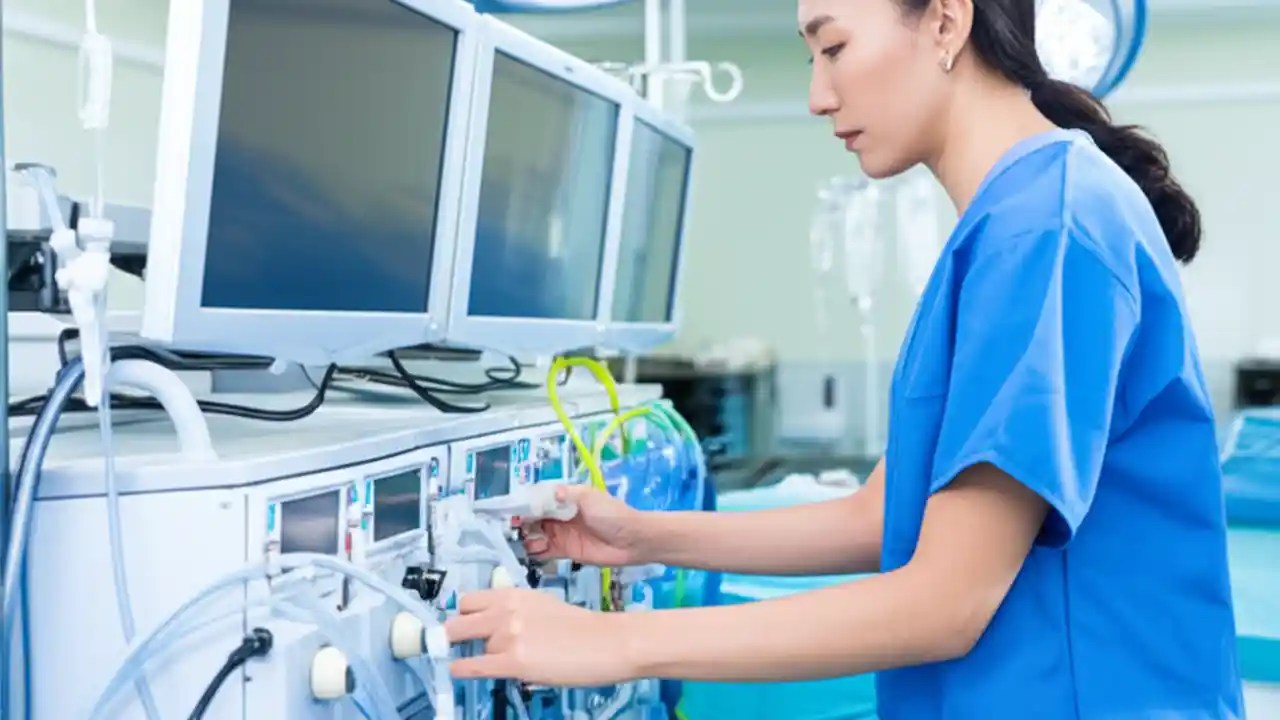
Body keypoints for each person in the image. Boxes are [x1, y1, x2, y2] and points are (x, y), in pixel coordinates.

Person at [444, 0, 1245, 716]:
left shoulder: (1047, 226)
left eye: (832, 48)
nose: (818, 95)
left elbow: (946, 601)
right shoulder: (1014, 220)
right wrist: (642, 536)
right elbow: (880, 518)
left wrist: (611, 642)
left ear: (944, 21)